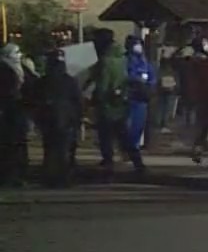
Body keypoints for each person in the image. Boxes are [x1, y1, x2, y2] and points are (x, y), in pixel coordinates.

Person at [92, 30, 145, 177]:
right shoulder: (122, 58)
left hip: (107, 104)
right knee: (124, 136)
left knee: (106, 137)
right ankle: (138, 162)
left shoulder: (105, 61)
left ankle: (108, 164)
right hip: (121, 103)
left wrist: (97, 98)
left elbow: (103, 84)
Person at [33, 49, 82, 187]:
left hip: (48, 120)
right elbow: (78, 101)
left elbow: (35, 100)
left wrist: (38, 118)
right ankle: (63, 178)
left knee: (49, 149)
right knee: (64, 150)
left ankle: (49, 177)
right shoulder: (70, 80)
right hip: (66, 120)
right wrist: (77, 118)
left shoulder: (43, 81)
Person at [0, 43, 26, 187]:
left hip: (14, 112)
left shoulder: (16, 68)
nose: (19, 55)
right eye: (16, 53)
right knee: (10, 145)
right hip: (8, 113)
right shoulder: (6, 69)